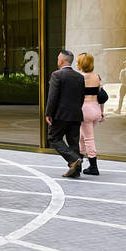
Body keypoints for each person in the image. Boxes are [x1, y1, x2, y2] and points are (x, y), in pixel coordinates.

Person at [45, 48, 86, 178]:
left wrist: (48, 113)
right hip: (76, 114)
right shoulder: (79, 77)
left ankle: (74, 160)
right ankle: (75, 170)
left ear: (62, 61)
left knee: (53, 138)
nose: (57, 60)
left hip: (60, 115)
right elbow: (81, 97)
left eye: (58, 59)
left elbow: (53, 97)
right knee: (73, 142)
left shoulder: (57, 75)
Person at [77, 52, 103, 176]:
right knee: (83, 137)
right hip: (96, 109)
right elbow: (101, 97)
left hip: (84, 110)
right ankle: (78, 161)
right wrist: (102, 113)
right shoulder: (97, 77)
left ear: (81, 64)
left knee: (88, 138)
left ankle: (93, 166)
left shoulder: (79, 78)